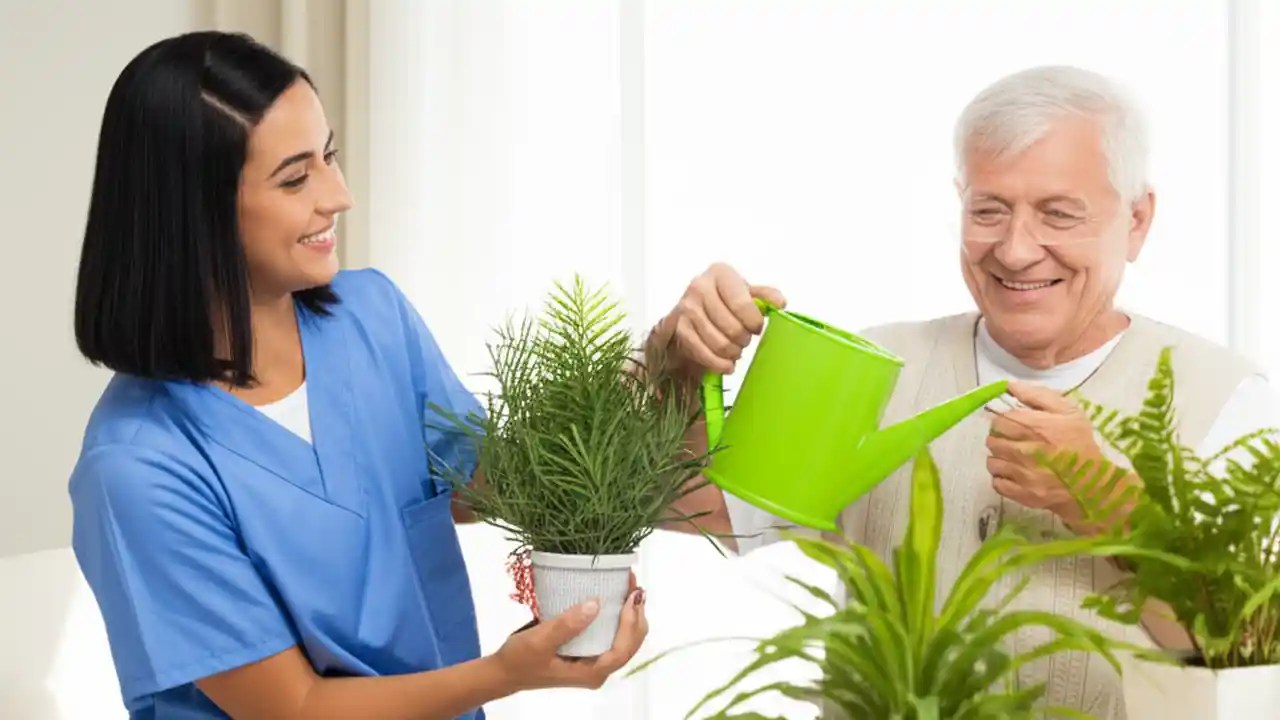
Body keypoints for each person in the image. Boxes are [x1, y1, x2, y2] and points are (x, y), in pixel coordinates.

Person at [649, 65, 1280, 718]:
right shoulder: (876, 367)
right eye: (989, 210)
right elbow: (682, 503)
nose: (1015, 250)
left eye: (1058, 214)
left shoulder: (1225, 399)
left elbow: (1253, 649)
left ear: (1139, 220)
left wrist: (1112, 506)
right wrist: (674, 363)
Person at [70, 31, 646, 720]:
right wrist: (507, 673)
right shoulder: (138, 467)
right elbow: (297, 708)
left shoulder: (373, 319)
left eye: (329, 156)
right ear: (193, 214)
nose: (338, 196)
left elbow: (499, 484)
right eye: (295, 177)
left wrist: (666, 361)